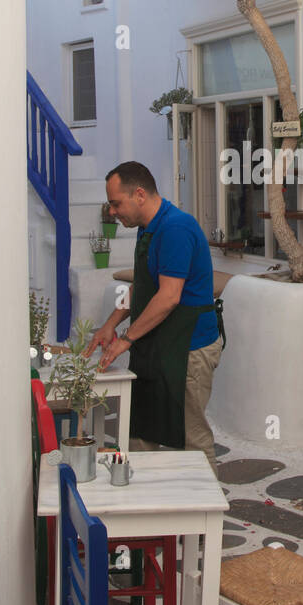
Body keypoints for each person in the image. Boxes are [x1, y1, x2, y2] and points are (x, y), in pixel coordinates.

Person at [84, 162, 224, 475]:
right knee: (141, 429)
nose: (112, 212)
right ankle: (143, 509)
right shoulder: (150, 227)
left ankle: (204, 519)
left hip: (188, 349)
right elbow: (144, 286)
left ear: (139, 195)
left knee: (192, 438)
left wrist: (125, 340)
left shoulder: (176, 228)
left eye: (117, 204)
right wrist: (110, 324)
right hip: (159, 346)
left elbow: (168, 297)